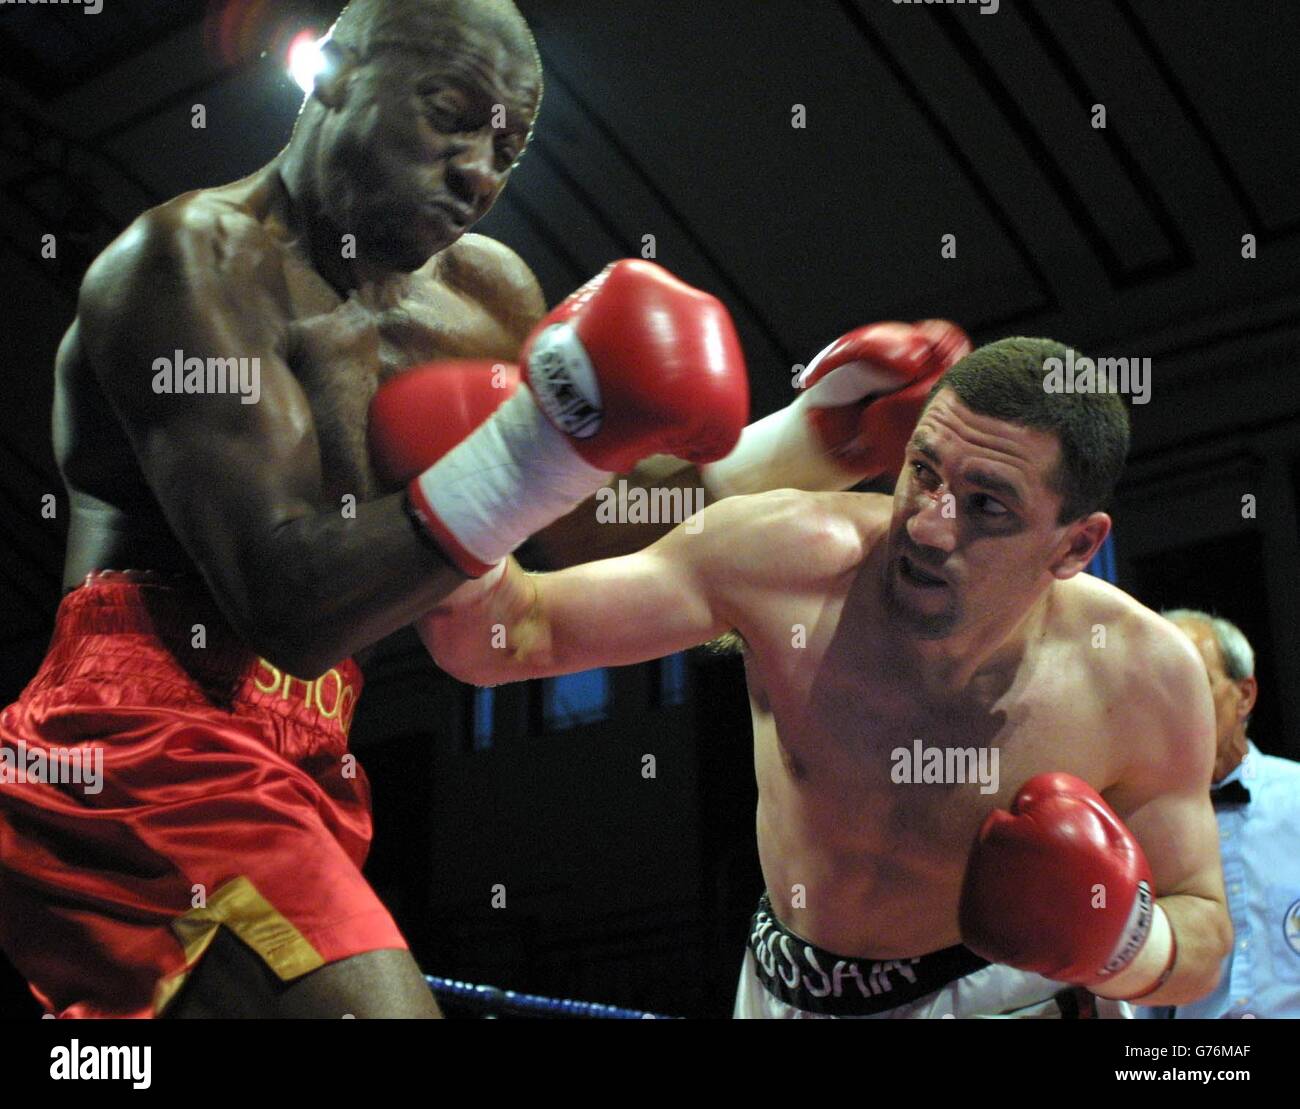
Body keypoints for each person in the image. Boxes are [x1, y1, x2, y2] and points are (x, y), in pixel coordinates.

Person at [0, 0, 967, 1019]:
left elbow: (574, 517)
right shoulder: (188, 263)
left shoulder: (480, 295)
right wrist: (538, 444)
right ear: (331, 70)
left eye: (509, 145)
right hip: (132, 745)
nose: (478, 167)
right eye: (451, 112)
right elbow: (285, 605)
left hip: (308, 759)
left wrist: (820, 441)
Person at [422, 336, 1234, 1018]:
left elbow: (1201, 926)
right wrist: (479, 480)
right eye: (924, 470)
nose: (927, 523)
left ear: (1075, 544)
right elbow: (499, 641)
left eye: (987, 505)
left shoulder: (1141, 674)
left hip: (1001, 999)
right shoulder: (786, 562)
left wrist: (1127, 943)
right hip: (782, 988)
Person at [1138, 610, 1300, 1019]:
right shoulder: (1138, 826)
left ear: (1244, 696)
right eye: (1154, 688)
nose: (1168, 704)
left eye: (1189, 683)